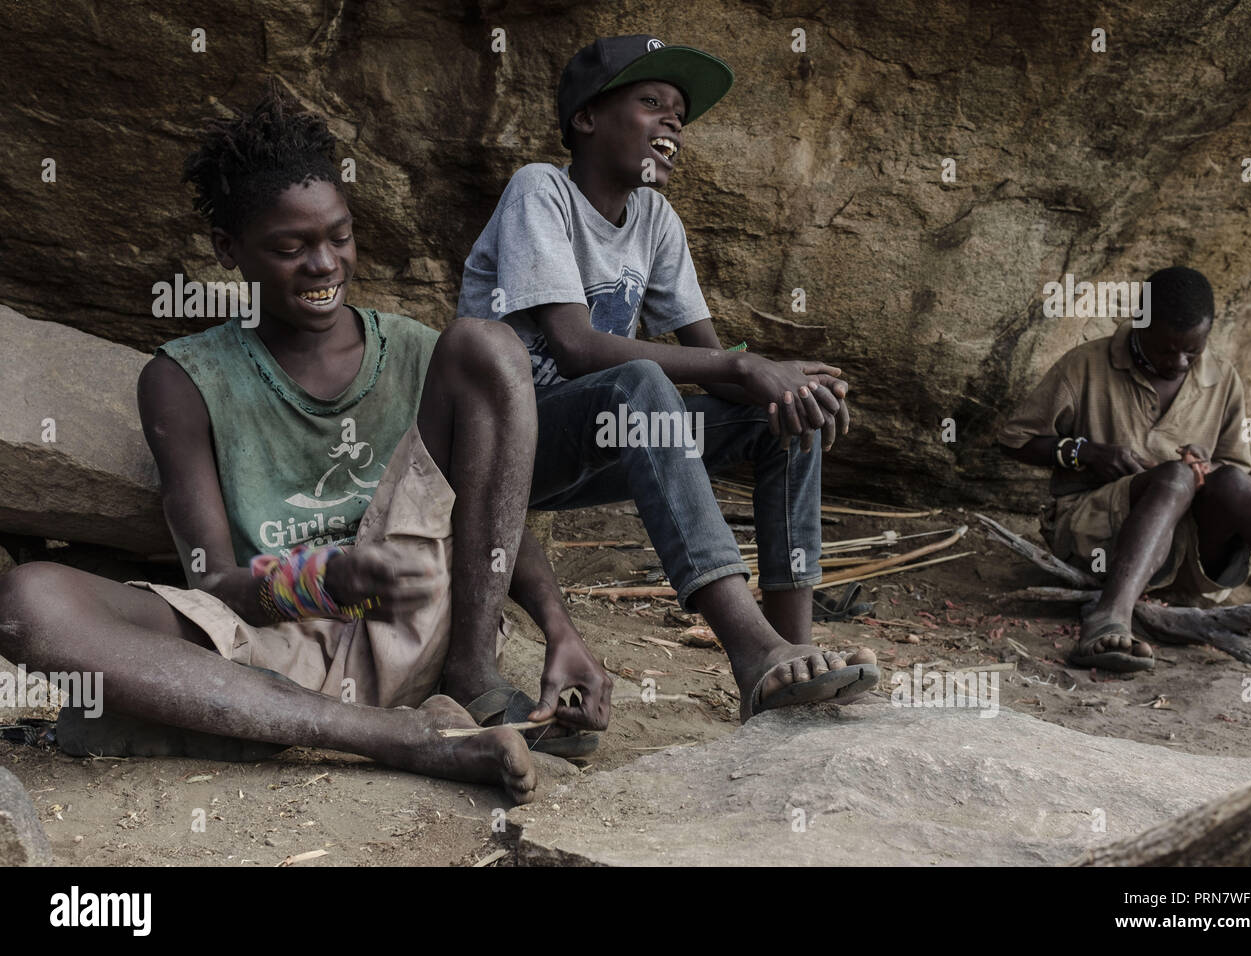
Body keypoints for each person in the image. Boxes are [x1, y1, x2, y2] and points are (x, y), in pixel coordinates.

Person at [0, 85, 566, 803]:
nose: (324, 264)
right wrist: (325, 579)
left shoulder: (425, 355)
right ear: (229, 250)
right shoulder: (184, 379)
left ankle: (475, 688)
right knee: (25, 602)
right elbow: (213, 583)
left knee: (488, 343)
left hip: (421, 626)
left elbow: (498, 518)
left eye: (339, 235)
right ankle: (395, 737)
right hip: (266, 651)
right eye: (291, 247)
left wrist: (560, 631)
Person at [457, 36, 878, 720]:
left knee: (782, 416)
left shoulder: (655, 219)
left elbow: (713, 365)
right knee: (640, 383)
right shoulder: (542, 191)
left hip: (598, 439)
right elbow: (575, 348)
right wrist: (745, 364)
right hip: (505, 447)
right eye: (651, 102)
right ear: (587, 118)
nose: (672, 122)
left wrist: (791, 385)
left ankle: (789, 658)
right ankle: (748, 647)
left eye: (679, 113)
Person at [998, 266, 1251, 671]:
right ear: (1140, 324)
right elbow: (1014, 440)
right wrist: (1083, 452)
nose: (1179, 362)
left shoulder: (1222, 377)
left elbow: (1235, 466)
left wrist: (1206, 469)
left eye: (1192, 350)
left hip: (1187, 554)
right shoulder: (1085, 365)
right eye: (1166, 349)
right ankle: (1109, 618)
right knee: (1173, 478)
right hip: (1097, 536)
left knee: (1232, 483)